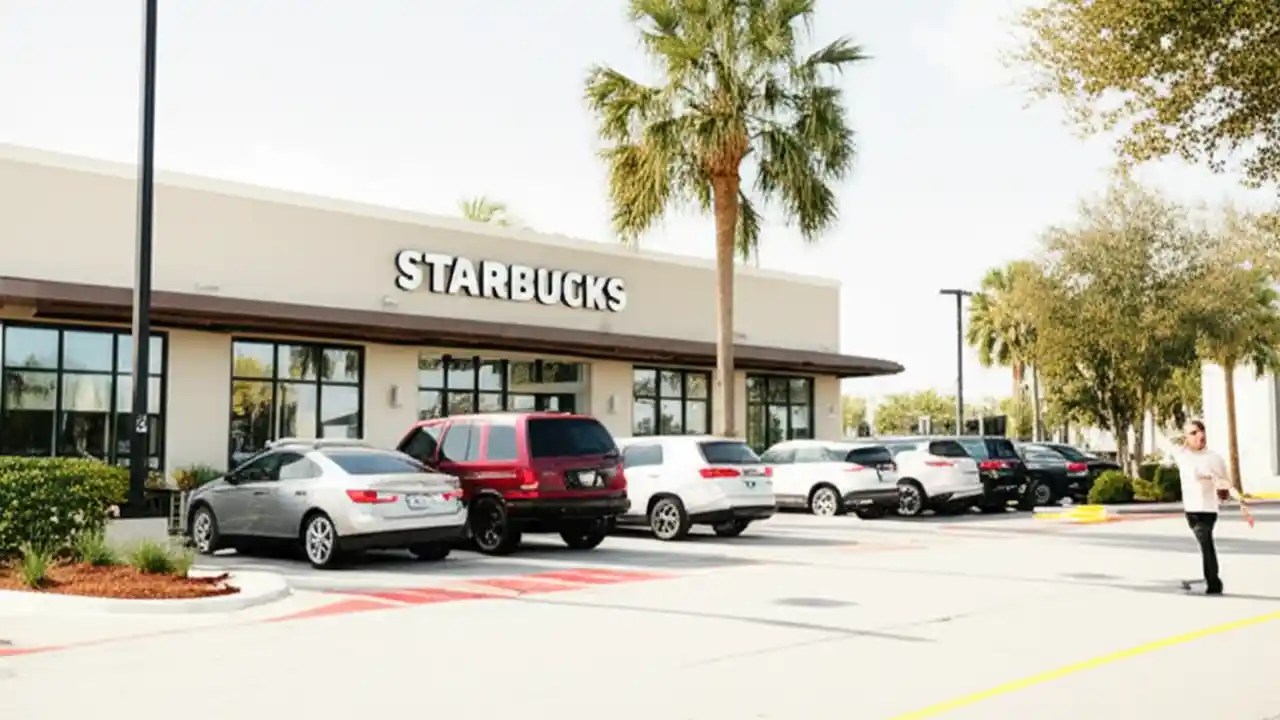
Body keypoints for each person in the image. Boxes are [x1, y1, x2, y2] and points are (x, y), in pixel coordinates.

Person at [1171, 419, 1239, 595]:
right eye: (1193, 433)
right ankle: (1212, 579)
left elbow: (1224, 484)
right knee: (1205, 543)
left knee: (1205, 541)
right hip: (1190, 509)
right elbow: (1178, 454)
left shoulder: (1214, 458)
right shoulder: (1183, 456)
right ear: (1186, 438)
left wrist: (1222, 489)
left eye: (1201, 431)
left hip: (1207, 509)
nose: (1199, 435)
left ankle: (1214, 582)